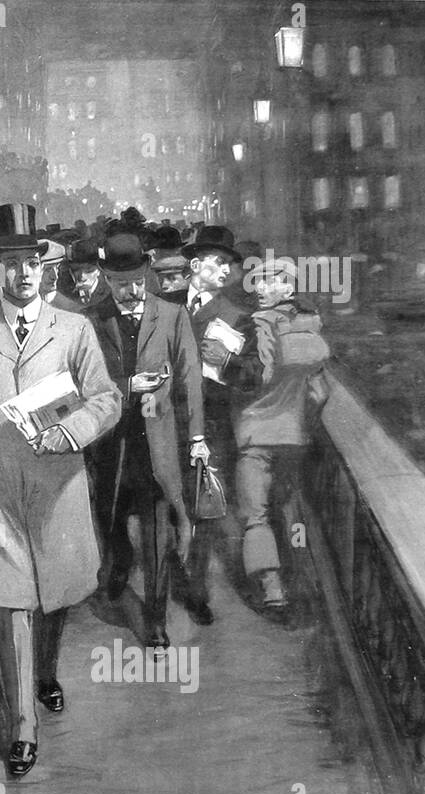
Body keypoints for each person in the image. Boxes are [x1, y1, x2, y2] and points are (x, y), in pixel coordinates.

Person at [0, 203, 121, 778]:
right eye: (10, 264)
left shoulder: (76, 329)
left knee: (54, 594)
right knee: (10, 602)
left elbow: (107, 399)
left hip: (59, 484)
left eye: (31, 262)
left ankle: (46, 670)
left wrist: (70, 430)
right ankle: (22, 726)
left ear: (45, 268)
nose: (23, 274)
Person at [85, 233, 207, 650]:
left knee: (158, 532)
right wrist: (129, 385)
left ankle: (155, 620)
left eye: (137, 280)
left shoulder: (172, 315)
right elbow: (84, 383)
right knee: (111, 521)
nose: (131, 290)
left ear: (146, 274)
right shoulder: (90, 319)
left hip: (156, 447)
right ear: (106, 279)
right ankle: (118, 563)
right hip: (110, 445)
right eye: (121, 283)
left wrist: (197, 438)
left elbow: (190, 379)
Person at [161, 225, 260, 622]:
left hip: (212, 425)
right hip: (165, 421)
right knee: (167, 504)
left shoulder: (238, 315)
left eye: (230, 264)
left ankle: (195, 591)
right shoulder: (164, 305)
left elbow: (254, 375)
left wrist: (229, 361)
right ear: (196, 264)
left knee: (204, 508)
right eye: (218, 262)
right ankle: (167, 576)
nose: (226, 271)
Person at [235, 258, 329, 624]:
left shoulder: (259, 325)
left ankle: (273, 589)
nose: (259, 288)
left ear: (287, 289)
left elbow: (258, 376)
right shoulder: (310, 325)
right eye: (258, 282)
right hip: (294, 436)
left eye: (270, 282)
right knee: (290, 507)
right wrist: (303, 424)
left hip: (255, 436)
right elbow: (319, 393)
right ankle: (305, 581)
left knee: (256, 514)